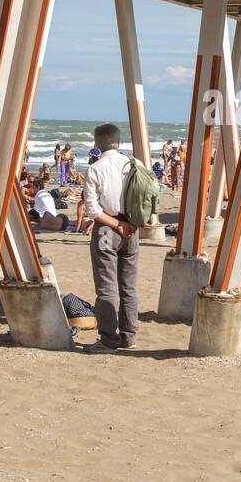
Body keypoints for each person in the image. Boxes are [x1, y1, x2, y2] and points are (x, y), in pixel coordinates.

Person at [83, 123, 139, 352]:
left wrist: (116, 224)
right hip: (132, 229)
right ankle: (129, 337)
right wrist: (129, 224)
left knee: (106, 286)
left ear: (97, 144)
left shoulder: (96, 168)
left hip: (107, 228)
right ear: (119, 141)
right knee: (129, 286)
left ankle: (108, 339)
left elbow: (93, 210)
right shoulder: (135, 165)